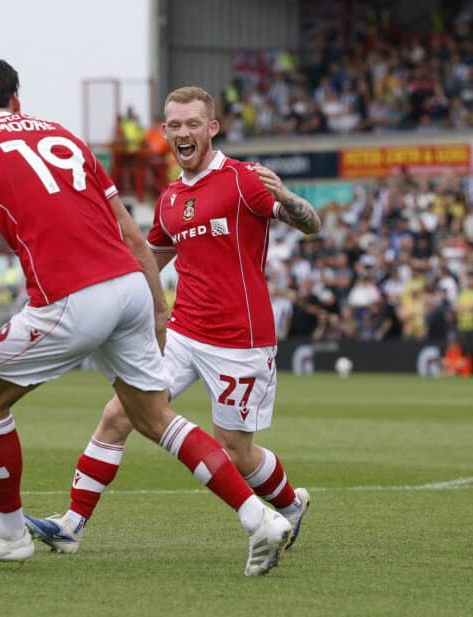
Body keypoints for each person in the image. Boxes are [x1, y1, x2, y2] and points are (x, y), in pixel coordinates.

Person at [0, 54, 292, 576]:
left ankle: (9, 533)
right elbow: (128, 231)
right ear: (16, 101)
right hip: (128, 288)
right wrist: (159, 309)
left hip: (72, 297)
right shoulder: (65, 137)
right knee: (152, 418)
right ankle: (260, 518)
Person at [23, 86, 321, 558]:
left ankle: (288, 505)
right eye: (175, 125)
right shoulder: (170, 197)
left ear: (212, 128)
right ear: (165, 132)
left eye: (193, 124)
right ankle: (71, 526)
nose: (184, 133)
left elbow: (311, 223)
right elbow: (145, 263)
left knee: (236, 451)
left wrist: (285, 194)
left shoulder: (244, 180)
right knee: (119, 414)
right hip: (182, 333)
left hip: (240, 341)